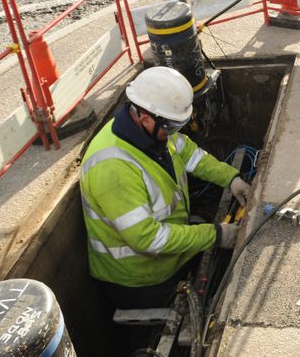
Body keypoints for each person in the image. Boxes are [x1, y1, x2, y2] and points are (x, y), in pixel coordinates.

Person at [80, 66, 251, 308]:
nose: (173, 134)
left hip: (168, 257)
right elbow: (148, 239)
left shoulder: (150, 130)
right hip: (139, 279)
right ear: (145, 118)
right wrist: (216, 235)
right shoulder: (113, 169)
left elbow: (191, 155)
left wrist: (231, 178)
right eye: (171, 127)